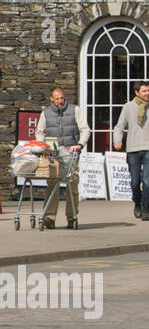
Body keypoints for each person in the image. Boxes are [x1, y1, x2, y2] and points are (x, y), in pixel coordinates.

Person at [34, 85, 88, 229]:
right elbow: (40, 131)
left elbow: (85, 129)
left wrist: (80, 144)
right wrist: (43, 144)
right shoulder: (45, 113)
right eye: (57, 98)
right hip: (53, 154)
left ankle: (72, 217)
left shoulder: (75, 110)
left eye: (62, 98)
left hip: (71, 153)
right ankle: (49, 218)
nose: (60, 101)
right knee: (52, 184)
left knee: (72, 184)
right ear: (51, 99)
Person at [112, 80, 149, 222]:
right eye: (144, 91)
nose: (147, 93)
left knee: (147, 180)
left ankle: (146, 208)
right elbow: (119, 126)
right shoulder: (128, 107)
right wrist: (118, 140)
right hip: (133, 148)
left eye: (148, 90)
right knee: (135, 182)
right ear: (136, 92)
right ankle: (137, 202)